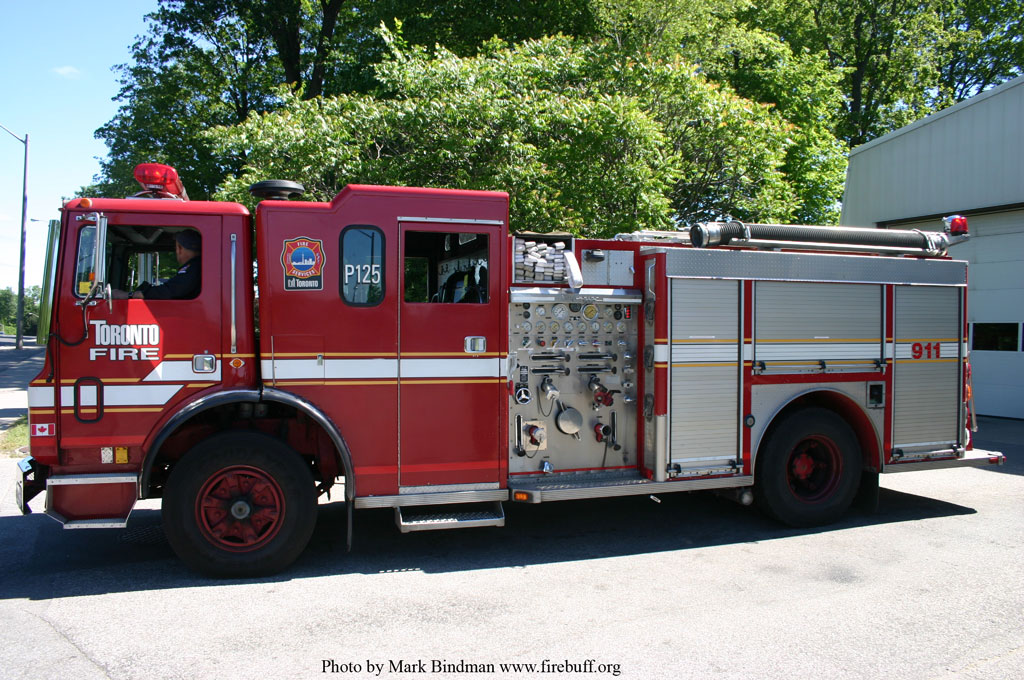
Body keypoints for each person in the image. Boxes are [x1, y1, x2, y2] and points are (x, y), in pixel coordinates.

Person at [111, 230, 201, 300]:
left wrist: (132, 295)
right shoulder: (198, 267)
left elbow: (170, 291)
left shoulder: (193, 268)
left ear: (179, 248)